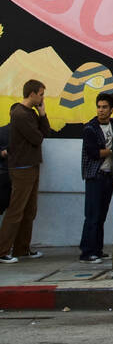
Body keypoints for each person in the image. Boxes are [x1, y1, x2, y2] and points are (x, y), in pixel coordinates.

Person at [0, 80, 50, 264]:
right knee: (16, 210)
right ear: (32, 94)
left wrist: (42, 114)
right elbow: (37, 138)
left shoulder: (31, 112)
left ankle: (22, 248)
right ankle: (3, 250)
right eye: (41, 94)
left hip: (32, 164)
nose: (43, 97)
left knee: (30, 210)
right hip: (21, 167)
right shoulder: (20, 114)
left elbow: (46, 132)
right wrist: (40, 126)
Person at [79, 93, 113, 263]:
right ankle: (87, 252)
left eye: (104, 107)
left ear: (111, 110)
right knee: (92, 215)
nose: (101, 110)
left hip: (110, 175)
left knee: (101, 215)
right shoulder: (90, 128)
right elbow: (94, 153)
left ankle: (97, 249)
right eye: (99, 107)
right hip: (96, 175)